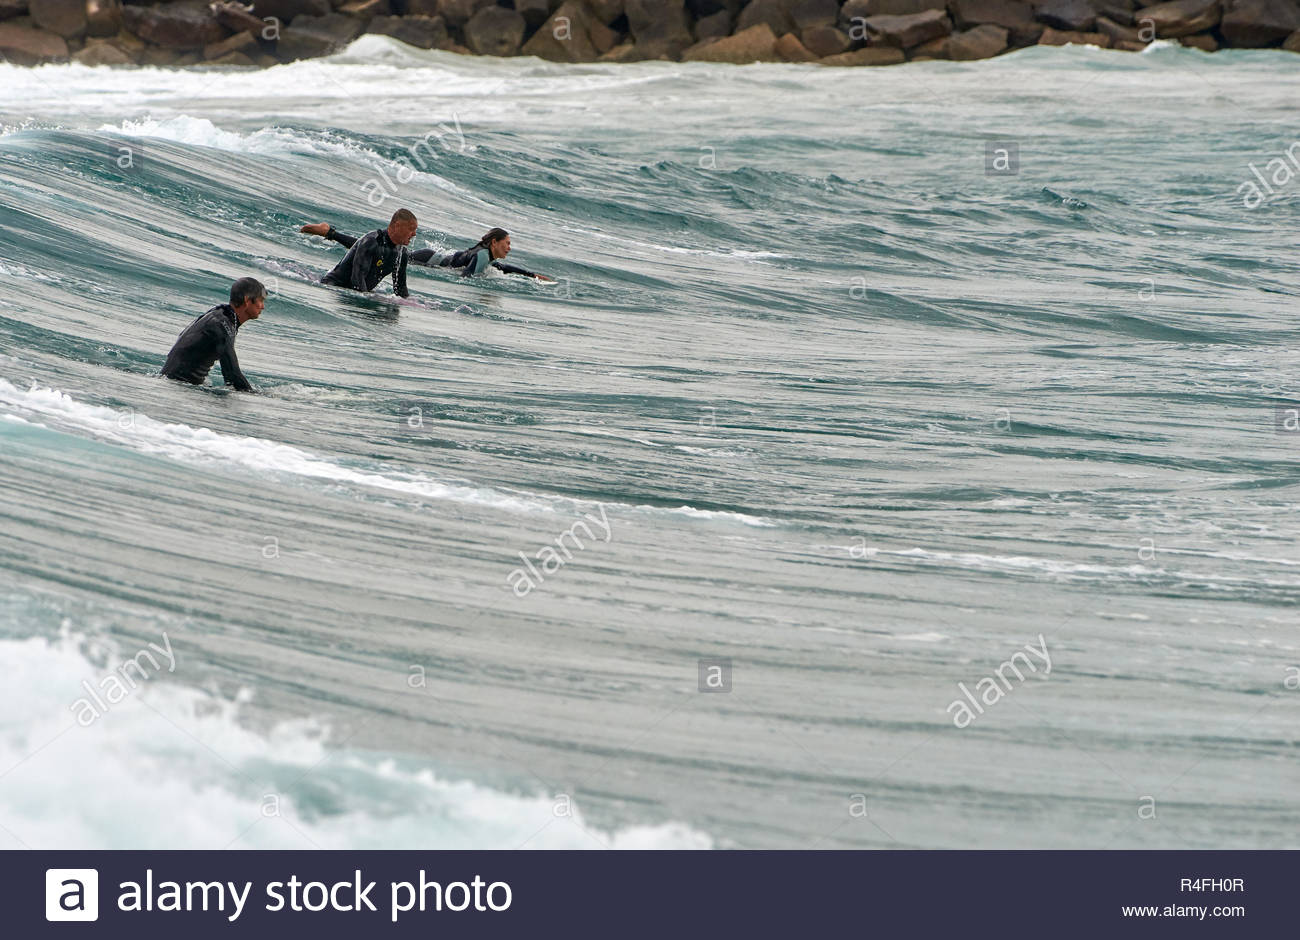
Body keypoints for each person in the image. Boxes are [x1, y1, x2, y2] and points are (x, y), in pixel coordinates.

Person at [301, 222, 554, 281]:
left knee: (383, 251)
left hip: (430, 256)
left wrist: (531, 275)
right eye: (507, 243)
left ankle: (331, 232)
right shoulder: (480, 256)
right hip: (426, 260)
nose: (510, 248)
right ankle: (330, 233)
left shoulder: (485, 255)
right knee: (379, 251)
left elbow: (503, 268)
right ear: (494, 243)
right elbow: (468, 278)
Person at [161, 277, 265, 392]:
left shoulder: (218, 315)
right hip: (179, 388)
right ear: (247, 300)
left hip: (172, 383)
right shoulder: (221, 326)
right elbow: (232, 375)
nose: (262, 306)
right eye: (261, 300)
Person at [319, 208, 417, 297]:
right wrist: (368, 300)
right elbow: (357, 279)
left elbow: (400, 288)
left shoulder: (401, 253)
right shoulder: (371, 241)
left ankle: (330, 233)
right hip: (334, 287)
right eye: (411, 229)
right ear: (397, 226)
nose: (414, 234)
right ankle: (328, 232)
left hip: (359, 292)